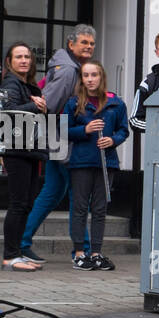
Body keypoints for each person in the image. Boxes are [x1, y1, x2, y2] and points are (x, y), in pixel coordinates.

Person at [19, 23, 96, 264]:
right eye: (84, 42)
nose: (89, 47)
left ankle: (21, 241)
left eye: (92, 43)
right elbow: (49, 104)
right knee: (77, 193)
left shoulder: (67, 65)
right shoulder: (69, 71)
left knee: (53, 191)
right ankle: (81, 251)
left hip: (56, 135)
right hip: (65, 137)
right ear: (71, 44)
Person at [63, 61, 128, 271]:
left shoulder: (116, 103)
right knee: (80, 208)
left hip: (106, 162)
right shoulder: (73, 103)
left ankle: (97, 252)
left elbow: (123, 130)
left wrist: (113, 140)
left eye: (94, 75)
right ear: (81, 79)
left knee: (100, 209)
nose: (90, 79)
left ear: (101, 77)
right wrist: (86, 129)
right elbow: (64, 130)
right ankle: (80, 253)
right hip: (81, 162)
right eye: (86, 75)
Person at [0, 42, 48, 271]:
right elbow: (8, 110)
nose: (24, 60)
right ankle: (10, 256)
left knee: (26, 203)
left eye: (27, 56)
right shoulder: (10, 82)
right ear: (9, 61)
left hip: (29, 149)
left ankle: (17, 252)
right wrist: (34, 105)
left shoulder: (26, 84)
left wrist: (38, 106)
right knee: (19, 203)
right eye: (19, 56)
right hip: (16, 150)